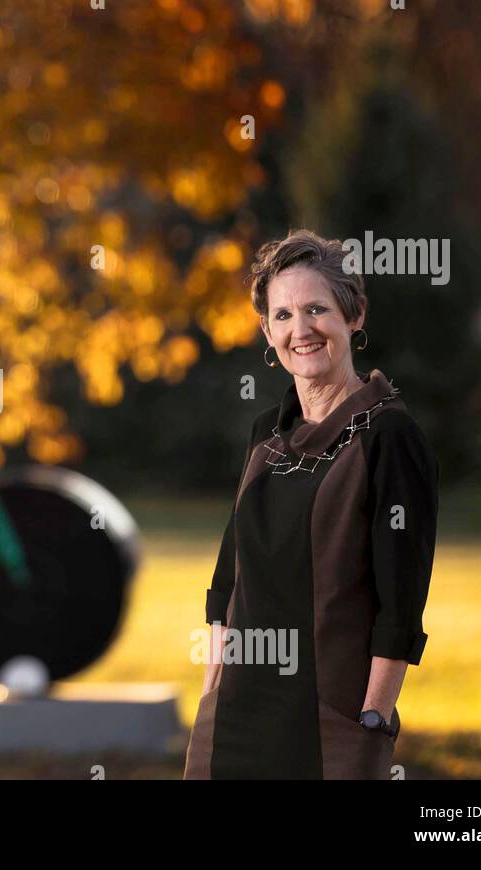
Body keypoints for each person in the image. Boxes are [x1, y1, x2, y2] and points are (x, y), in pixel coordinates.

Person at [183, 229, 439, 779]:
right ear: (266, 330)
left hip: (332, 726)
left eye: (317, 309)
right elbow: (228, 580)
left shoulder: (390, 437)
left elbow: (401, 605)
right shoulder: (265, 435)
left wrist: (372, 720)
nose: (300, 330)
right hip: (235, 719)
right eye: (282, 315)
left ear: (354, 315)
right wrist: (212, 693)